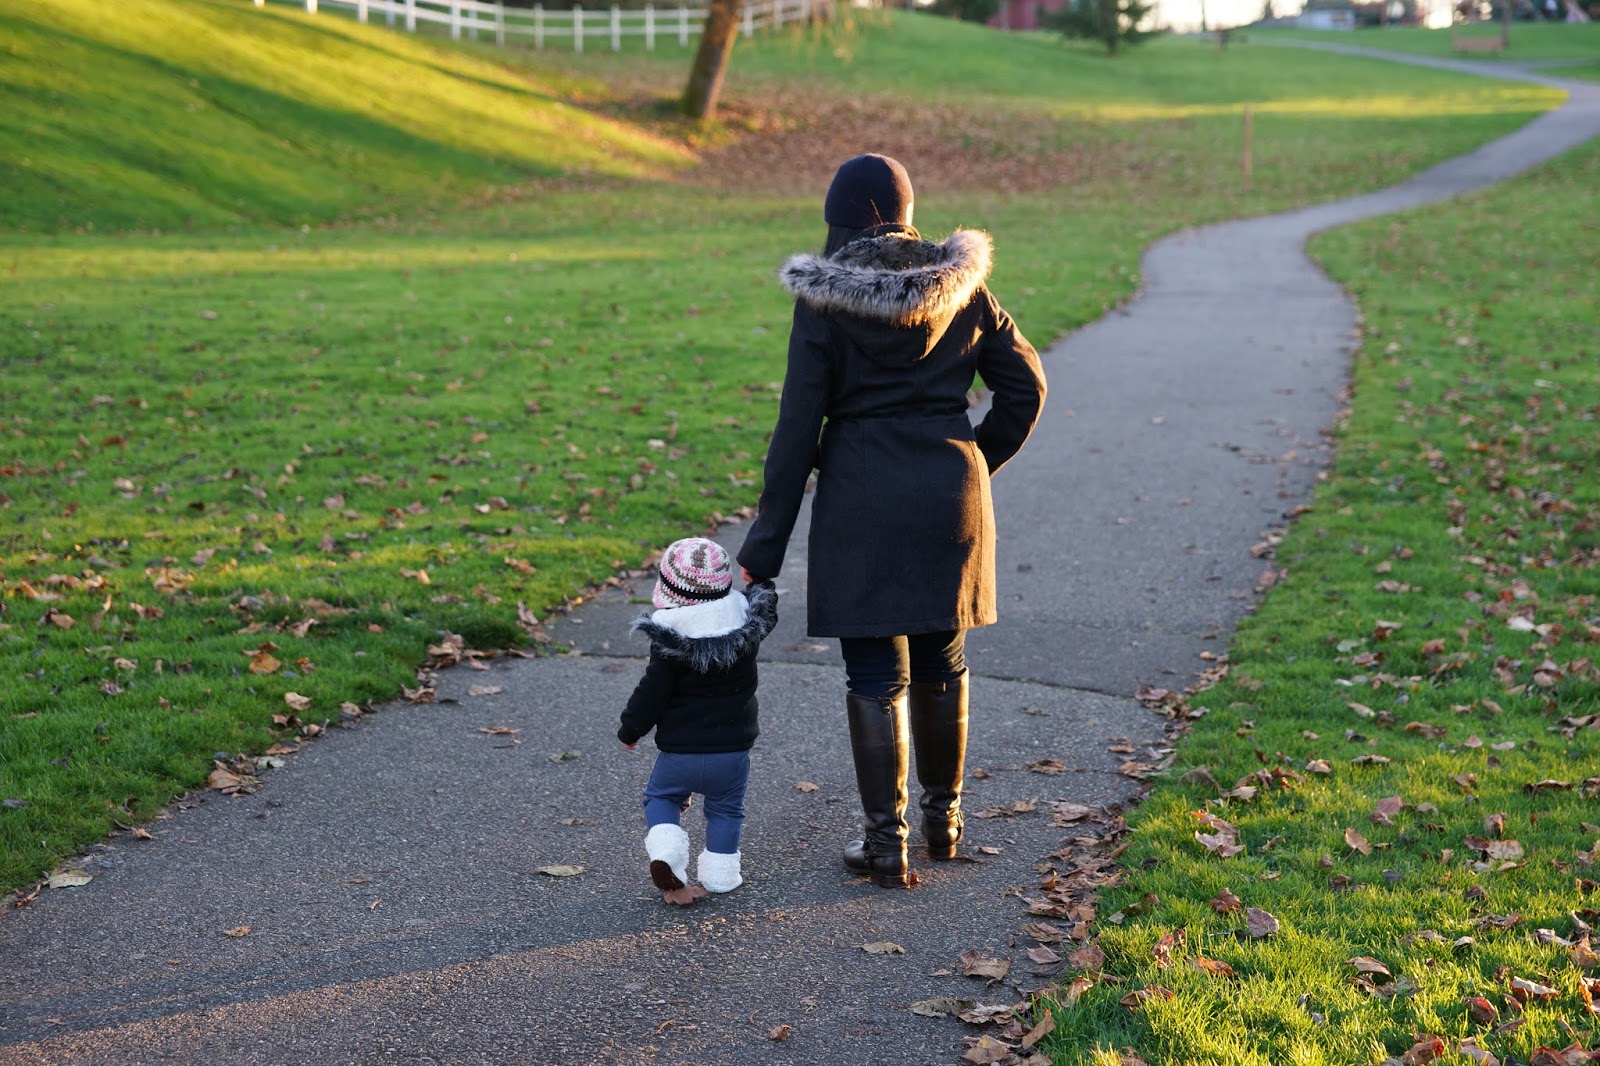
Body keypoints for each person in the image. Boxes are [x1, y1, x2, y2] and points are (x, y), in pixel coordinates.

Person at [737, 154, 1046, 889]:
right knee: (944, 658)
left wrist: (763, 550)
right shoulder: (964, 287)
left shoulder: (823, 302)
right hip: (949, 496)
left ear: (841, 221)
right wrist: (972, 463)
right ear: (909, 213)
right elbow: (1026, 387)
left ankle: (887, 845)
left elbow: (795, 430)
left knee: (875, 673)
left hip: (861, 495)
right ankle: (944, 825)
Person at [619, 537, 778, 905]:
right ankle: (722, 877)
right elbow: (767, 610)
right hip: (732, 753)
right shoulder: (746, 628)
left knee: (661, 798)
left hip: (679, 753)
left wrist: (631, 729)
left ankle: (668, 853)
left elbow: (651, 693)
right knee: (726, 810)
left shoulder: (670, 642)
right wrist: (759, 582)